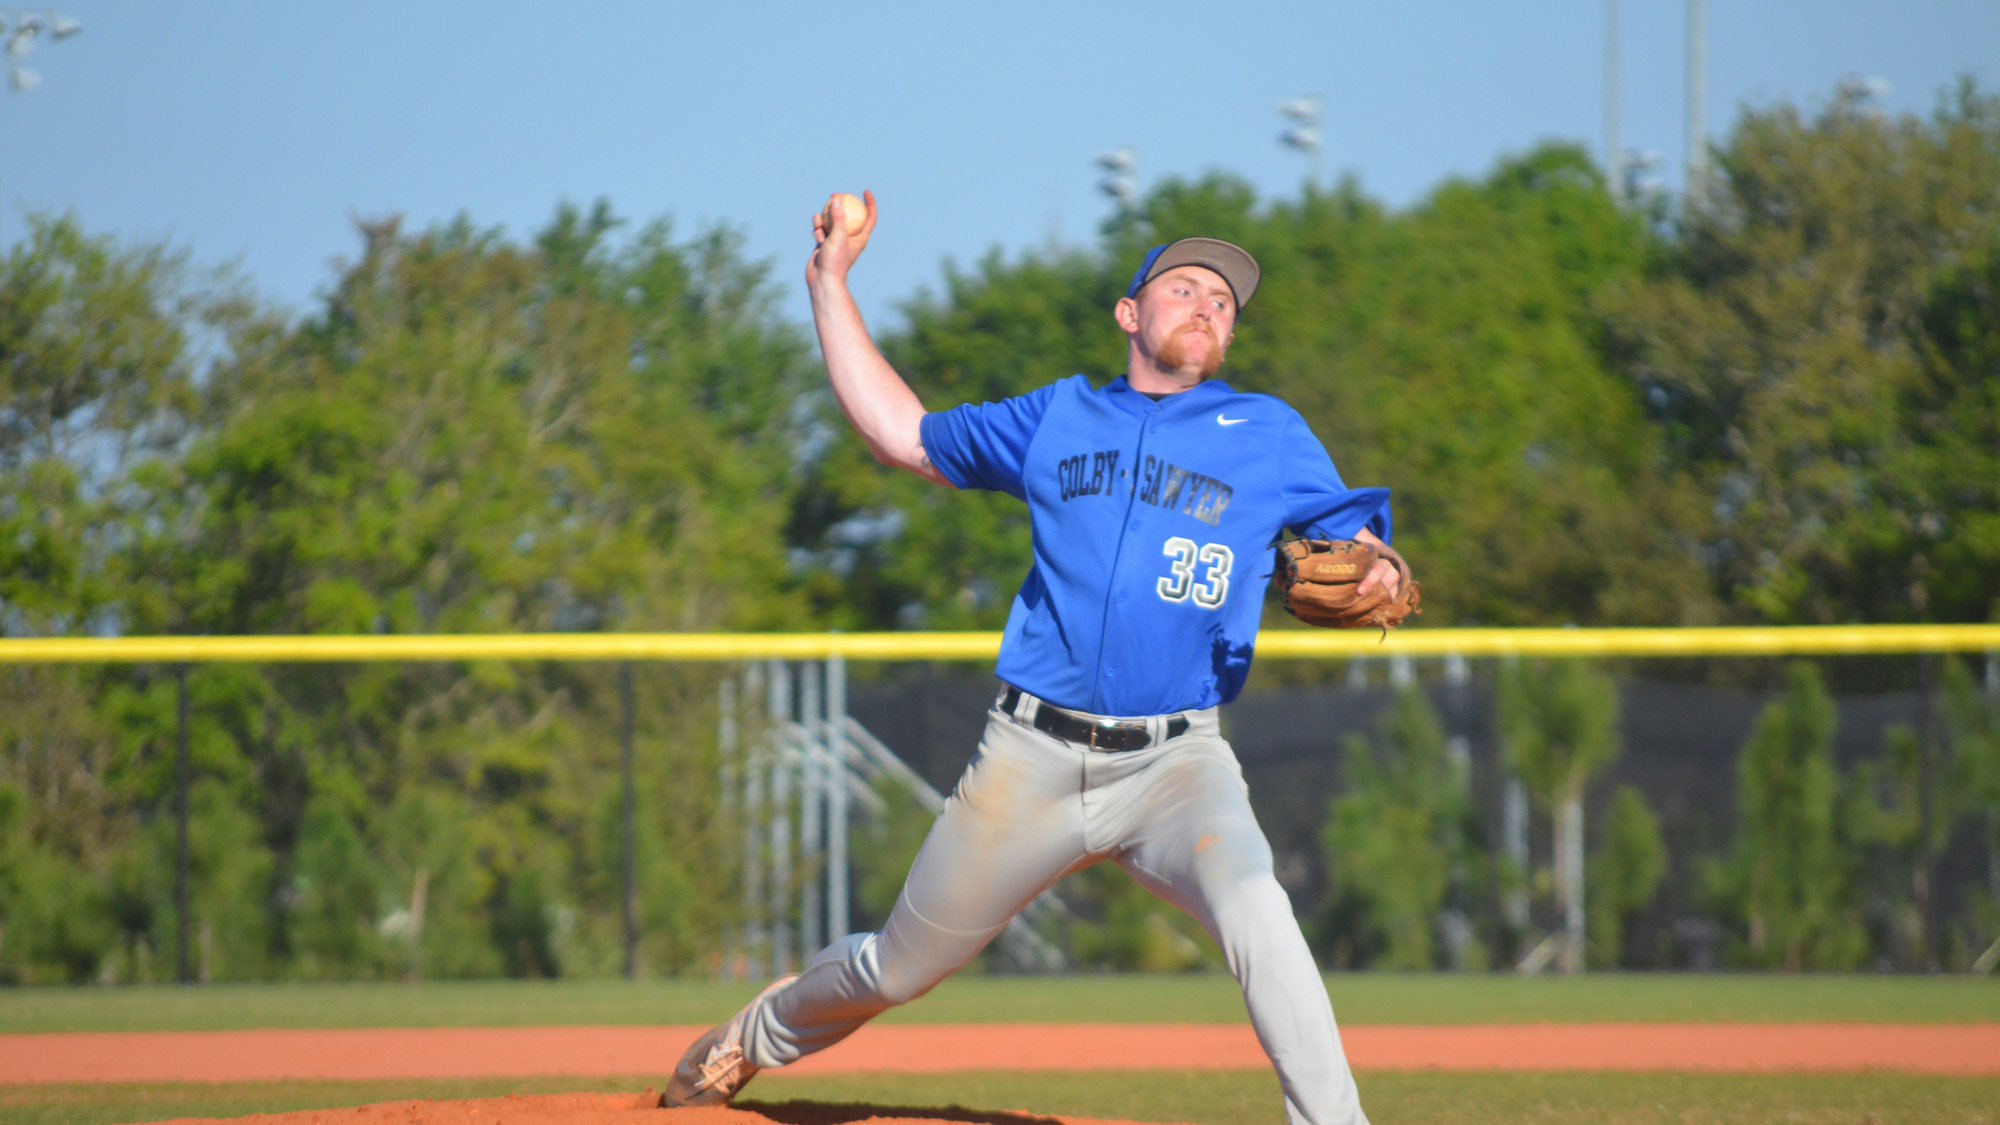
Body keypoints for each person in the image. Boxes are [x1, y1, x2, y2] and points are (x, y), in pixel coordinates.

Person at [666, 192, 1401, 1125]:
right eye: (1185, 287)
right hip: (1030, 759)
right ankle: (759, 1033)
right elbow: (903, 433)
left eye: (1225, 300)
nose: (1210, 304)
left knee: (1261, 912)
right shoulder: (1059, 417)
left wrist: (1381, 571)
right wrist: (828, 283)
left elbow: (1369, 546)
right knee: (898, 965)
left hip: (1178, 763)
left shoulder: (1269, 433)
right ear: (1131, 314)